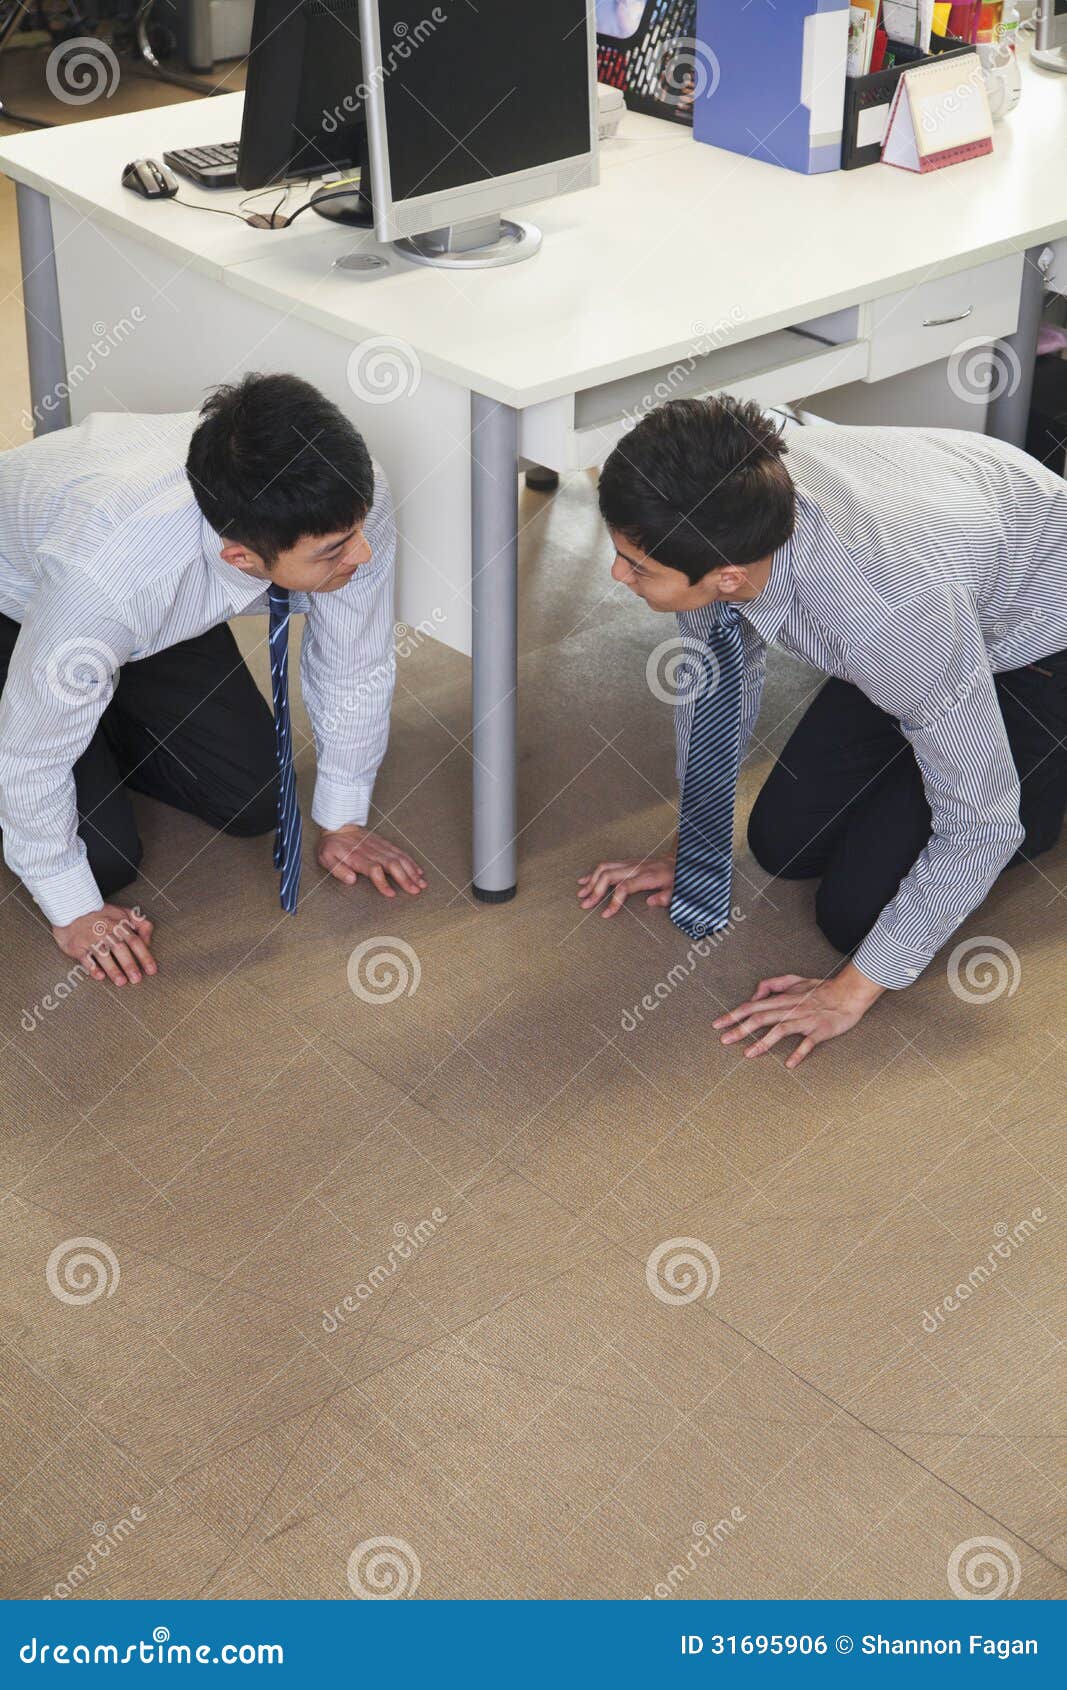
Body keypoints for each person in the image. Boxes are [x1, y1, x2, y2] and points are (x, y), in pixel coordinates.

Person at [580, 395, 1067, 1067]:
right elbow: (714, 682)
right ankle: (934, 731)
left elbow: (982, 822)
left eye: (638, 568)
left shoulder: (885, 615)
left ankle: (1045, 791)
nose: (617, 574)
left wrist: (848, 993)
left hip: (1037, 643)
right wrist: (690, 845)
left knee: (853, 917)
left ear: (727, 577)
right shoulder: (719, 506)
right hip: (947, 586)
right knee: (782, 845)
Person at [0, 372, 425, 990]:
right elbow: (29, 754)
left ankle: (95, 706)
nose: (360, 555)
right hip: (20, 600)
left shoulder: (347, 502)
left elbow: (354, 659)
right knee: (102, 859)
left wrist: (344, 818)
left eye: (356, 535)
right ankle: (79, 709)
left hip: (145, 615)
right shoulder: (111, 579)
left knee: (258, 798)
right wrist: (73, 911)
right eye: (334, 552)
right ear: (242, 559)